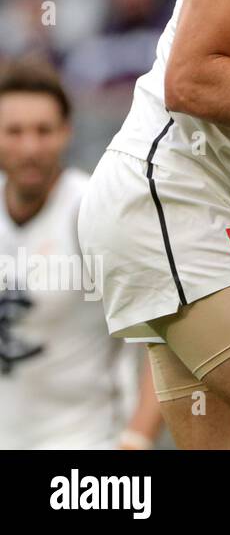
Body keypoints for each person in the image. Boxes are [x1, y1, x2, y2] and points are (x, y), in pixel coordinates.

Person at [0, 60, 162, 449]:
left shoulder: (92, 212)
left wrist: (137, 438)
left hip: (84, 447)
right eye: (14, 131)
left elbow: (166, 333)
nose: (30, 147)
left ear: (66, 133)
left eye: (43, 131)